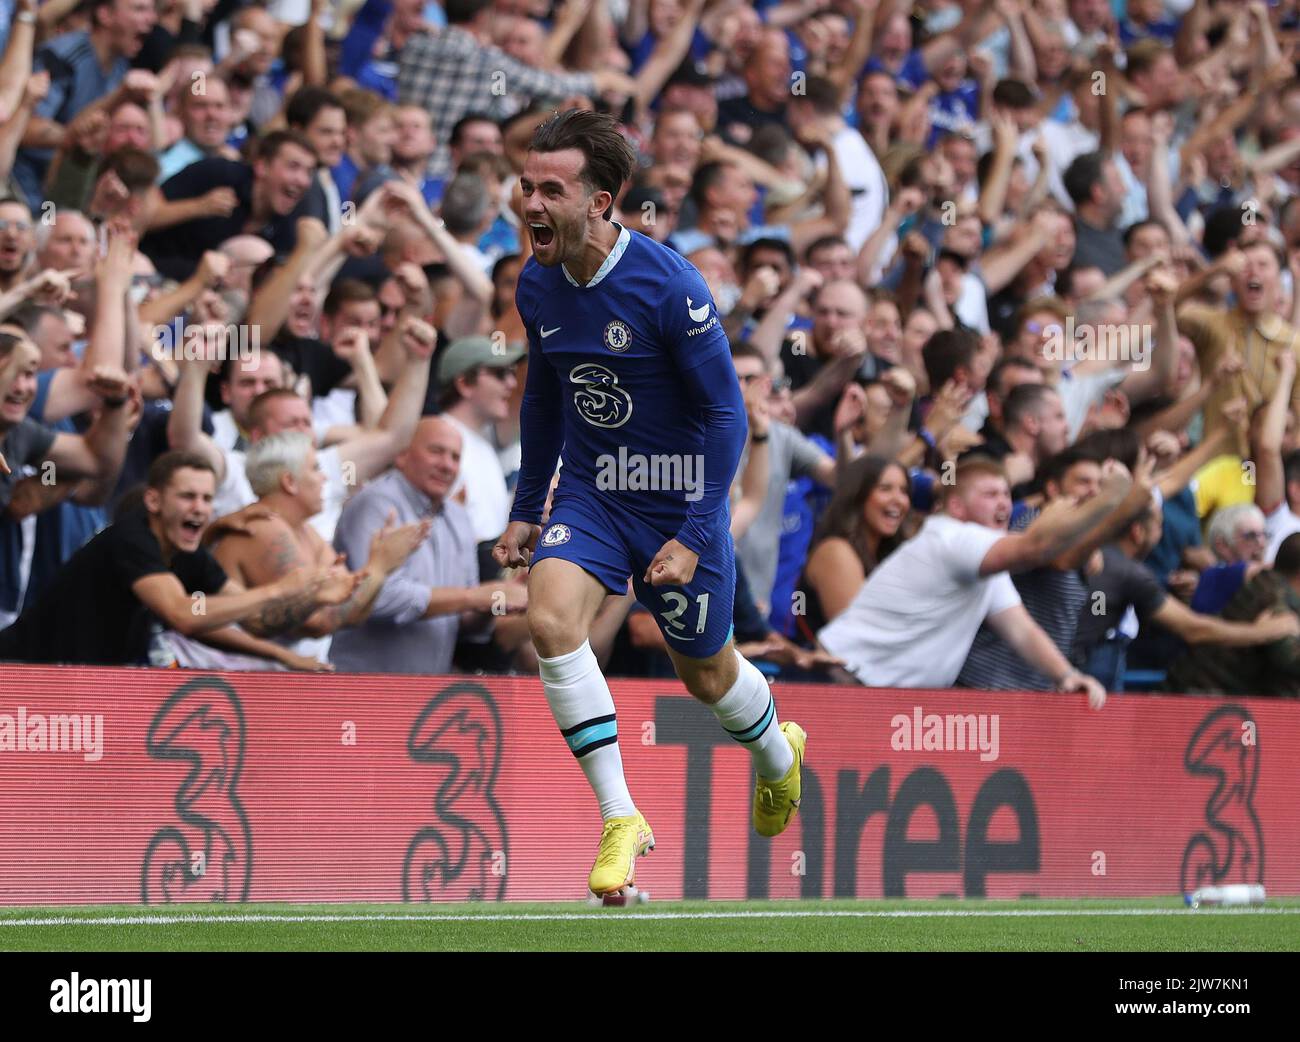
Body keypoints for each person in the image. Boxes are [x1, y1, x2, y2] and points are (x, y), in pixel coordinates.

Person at [494, 109, 804, 901]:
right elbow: (545, 397)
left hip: (676, 500)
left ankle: (778, 755)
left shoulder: (669, 284)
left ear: (600, 203)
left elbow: (728, 413)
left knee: (705, 679)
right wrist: (530, 504)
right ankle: (620, 815)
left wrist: (698, 533)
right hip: (596, 492)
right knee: (551, 618)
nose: (531, 203)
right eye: (526, 186)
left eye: (551, 190)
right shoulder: (536, 281)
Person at [0, 451, 357, 667]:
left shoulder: (188, 552)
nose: (199, 508)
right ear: (154, 502)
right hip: (22, 675)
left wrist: (310, 598)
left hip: (87, 685)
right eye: (188, 496)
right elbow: (184, 614)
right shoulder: (132, 538)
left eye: (206, 498)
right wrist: (278, 589)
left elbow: (244, 617)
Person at [818, 454, 1121, 705]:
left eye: (1006, 494)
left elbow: (1022, 631)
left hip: (871, 693)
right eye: (990, 495)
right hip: (837, 683)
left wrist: (1066, 675)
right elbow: (1036, 548)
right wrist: (1110, 500)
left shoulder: (981, 560)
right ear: (957, 508)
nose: (1003, 503)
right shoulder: (954, 538)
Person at [330, 415, 527, 673]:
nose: (447, 465)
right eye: (436, 451)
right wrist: (472, 596)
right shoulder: (374, 504)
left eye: (455, 457)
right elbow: (373, 599)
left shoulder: (459, 517)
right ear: (402, 455)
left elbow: (462, 623)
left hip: (429, 696)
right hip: (363, 689)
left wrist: (493, 602)